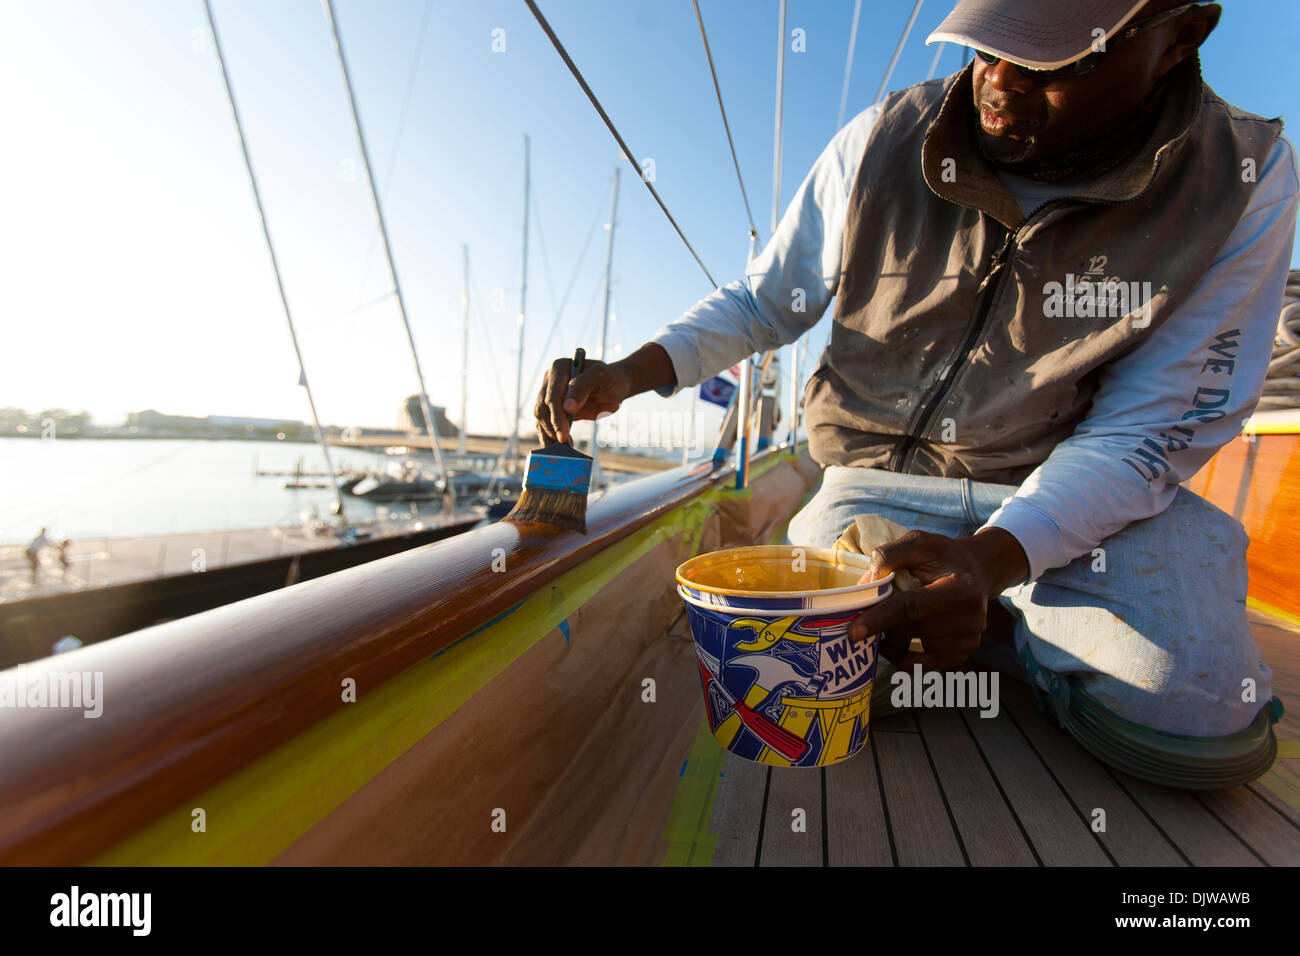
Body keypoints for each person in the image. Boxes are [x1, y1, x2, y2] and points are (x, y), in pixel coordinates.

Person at [534, 0, 1299, 787]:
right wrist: (630, 372)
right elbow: (768, 300)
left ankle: (1010, 627)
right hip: (875, 488)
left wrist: (994, 559)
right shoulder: (880, 139)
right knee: (803, 677)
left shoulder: (1245, 177)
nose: (998, 83)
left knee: (1195, 711)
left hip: (1082, 499)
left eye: (1056, 62)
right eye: (988, 45)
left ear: (1180, 37)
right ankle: (1015, 633)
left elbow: (1146, 429)